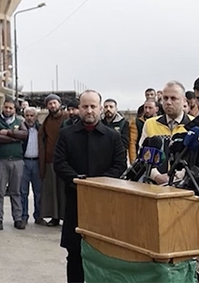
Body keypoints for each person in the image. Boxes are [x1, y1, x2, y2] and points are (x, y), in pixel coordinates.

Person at [54, 90, 126, 283]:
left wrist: (98, 184)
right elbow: (59, 163)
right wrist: (77, 180)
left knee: (104, 255)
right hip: (75, 202)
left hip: (105, 205)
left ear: (100, 108)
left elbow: (120, 165)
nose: (89, 110)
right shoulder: (66, 135)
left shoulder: (112, 136)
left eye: (93, 106)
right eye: (85, 106)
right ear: (79, 108)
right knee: (75, 254)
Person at [138, 82, 192, 184]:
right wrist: (156, 176)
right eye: (165, 98)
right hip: (153, 184)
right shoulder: (150, 124)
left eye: (173, 98)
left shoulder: (193, 125)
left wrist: (178, 177)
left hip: (183, 184)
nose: (168, 102)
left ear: (184, 100)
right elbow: (142, 154)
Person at [0, 98, 28, 230]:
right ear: (2, 107)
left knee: (16, 191)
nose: (8, 110)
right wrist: (15, 139)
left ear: (14, 109)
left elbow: (25, 134)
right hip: (0, 160)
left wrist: (9, 132)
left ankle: (17, 218)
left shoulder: (19, 121)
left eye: (10, 108)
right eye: (6, 107)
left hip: (17, 160)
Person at [39, 93, 68, 226]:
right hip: (50, 159)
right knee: (53, 190)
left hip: (65, 160)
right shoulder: (47, 121)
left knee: (64, 190)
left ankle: (66, 217)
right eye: (50, 104)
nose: (52, 105)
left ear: (59, 104)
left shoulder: (66, 118)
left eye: (54, 103)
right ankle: (55, 217)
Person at [19, 106, 41, 227]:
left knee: (38, 191)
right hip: (24, 162)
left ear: (36, 117)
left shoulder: (41, 129)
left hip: (37, 162)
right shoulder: (20, 129)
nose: (29, 118)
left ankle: (38, 216)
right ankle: (23, 216)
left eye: (32, 115)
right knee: (23, 191)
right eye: (27, 115)